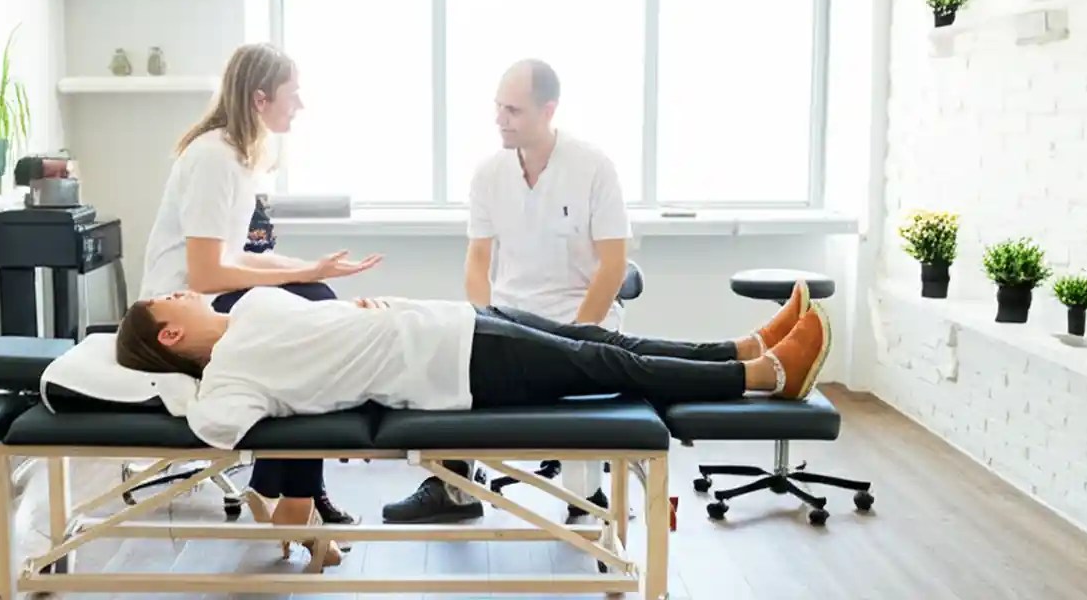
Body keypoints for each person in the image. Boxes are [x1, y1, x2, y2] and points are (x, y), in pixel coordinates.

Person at [114, 279, 827, 566]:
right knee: (606, 369)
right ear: (171, 338)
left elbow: (323, 321)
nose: (181, 291)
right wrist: (155, 383)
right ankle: (765, 376)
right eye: (169, 302)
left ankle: (743, 347)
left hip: (451, 319)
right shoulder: (230, 381)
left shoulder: (247, 313)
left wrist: (361, 308)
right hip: (455, 363)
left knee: (603, 341)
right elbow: (209, 429)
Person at [138, 42, 383, 527]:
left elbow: (238, 254)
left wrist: (313, 267)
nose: (301, 105)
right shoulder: (212, 158)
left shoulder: (237, 155)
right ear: (259, 99)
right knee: (309, 320)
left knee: (313, 306)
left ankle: (284, 490)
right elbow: (207, 273)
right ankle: (292, 493)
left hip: (209, 294)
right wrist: (304, 277)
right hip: (185, 305)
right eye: (293, 93)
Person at [385, 58, 633, 523]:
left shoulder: (593, 166)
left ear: (548, 110)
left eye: (513, 111)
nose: (500, 119)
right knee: (449, 360)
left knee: (577, 385)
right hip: (510, 313)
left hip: (579, 314)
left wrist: (579, 336)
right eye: (498, 107)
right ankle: (455, 488)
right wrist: (481, 317)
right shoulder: (488, 174)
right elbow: (478, 258)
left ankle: (587, 501)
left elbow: (614, 263)